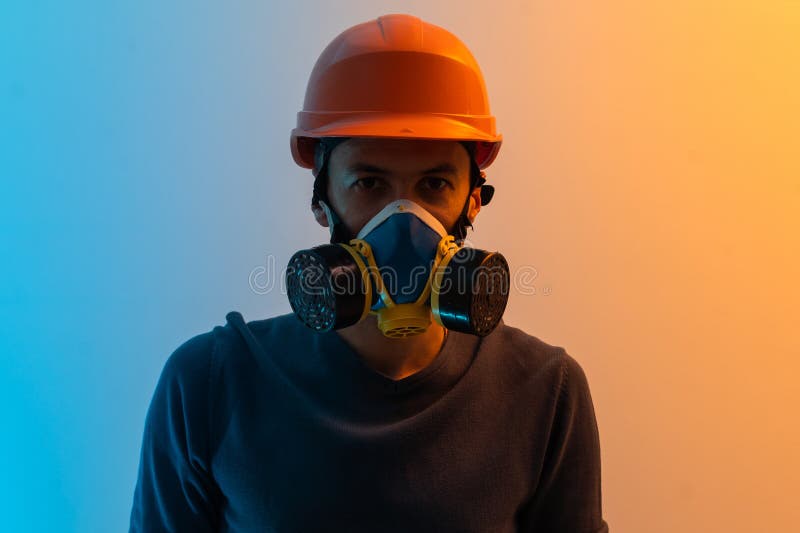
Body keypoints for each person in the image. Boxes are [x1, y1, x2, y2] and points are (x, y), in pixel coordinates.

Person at [129, 13, 609, 533]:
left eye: (433, 186)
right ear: (321, 199)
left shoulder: (545, 392)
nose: (403, 222)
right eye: (369, 184)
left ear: (473, 199)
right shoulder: (210, 383)